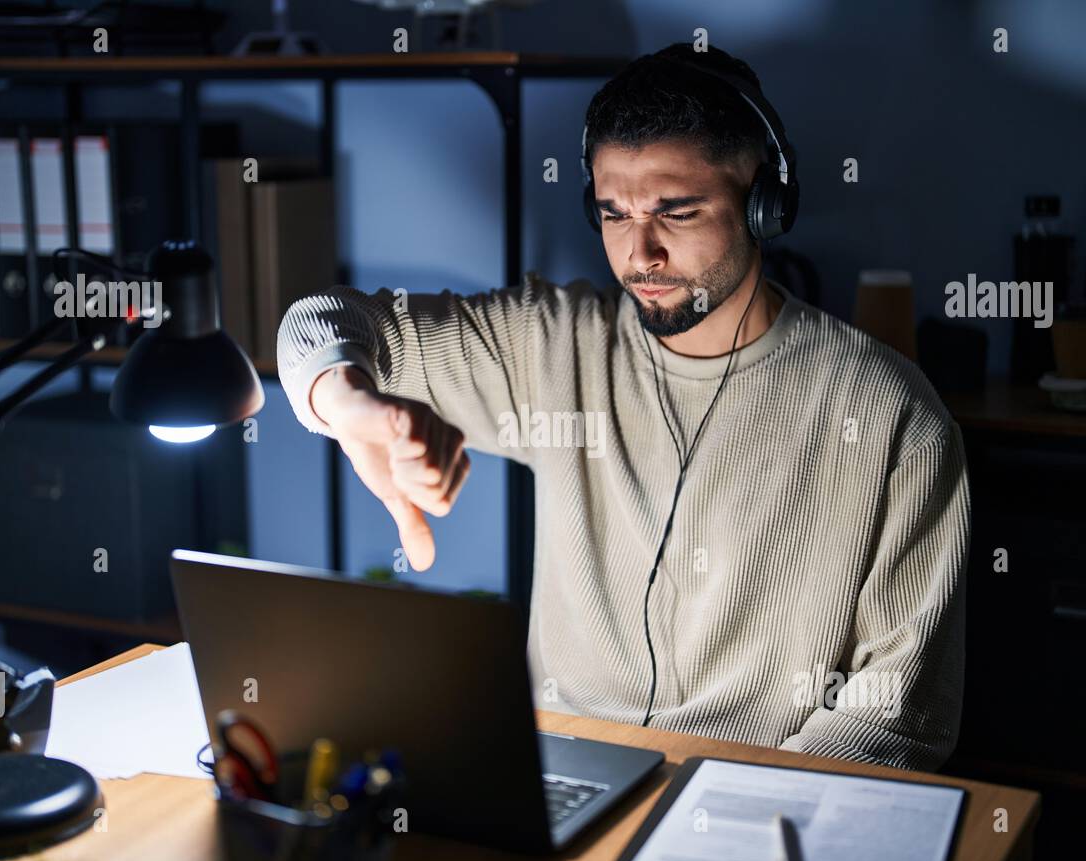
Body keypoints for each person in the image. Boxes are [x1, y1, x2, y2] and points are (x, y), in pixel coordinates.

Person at [276, 44, 970, 771]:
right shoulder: (548, 343)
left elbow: (896, 719)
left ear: (764, 204)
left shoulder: (893, 418)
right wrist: (349, 404)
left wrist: (728, 812)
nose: (640, 253)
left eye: (677, 211)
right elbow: (319, 322)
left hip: (758, 802)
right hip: (555, 777)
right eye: (613, 214)